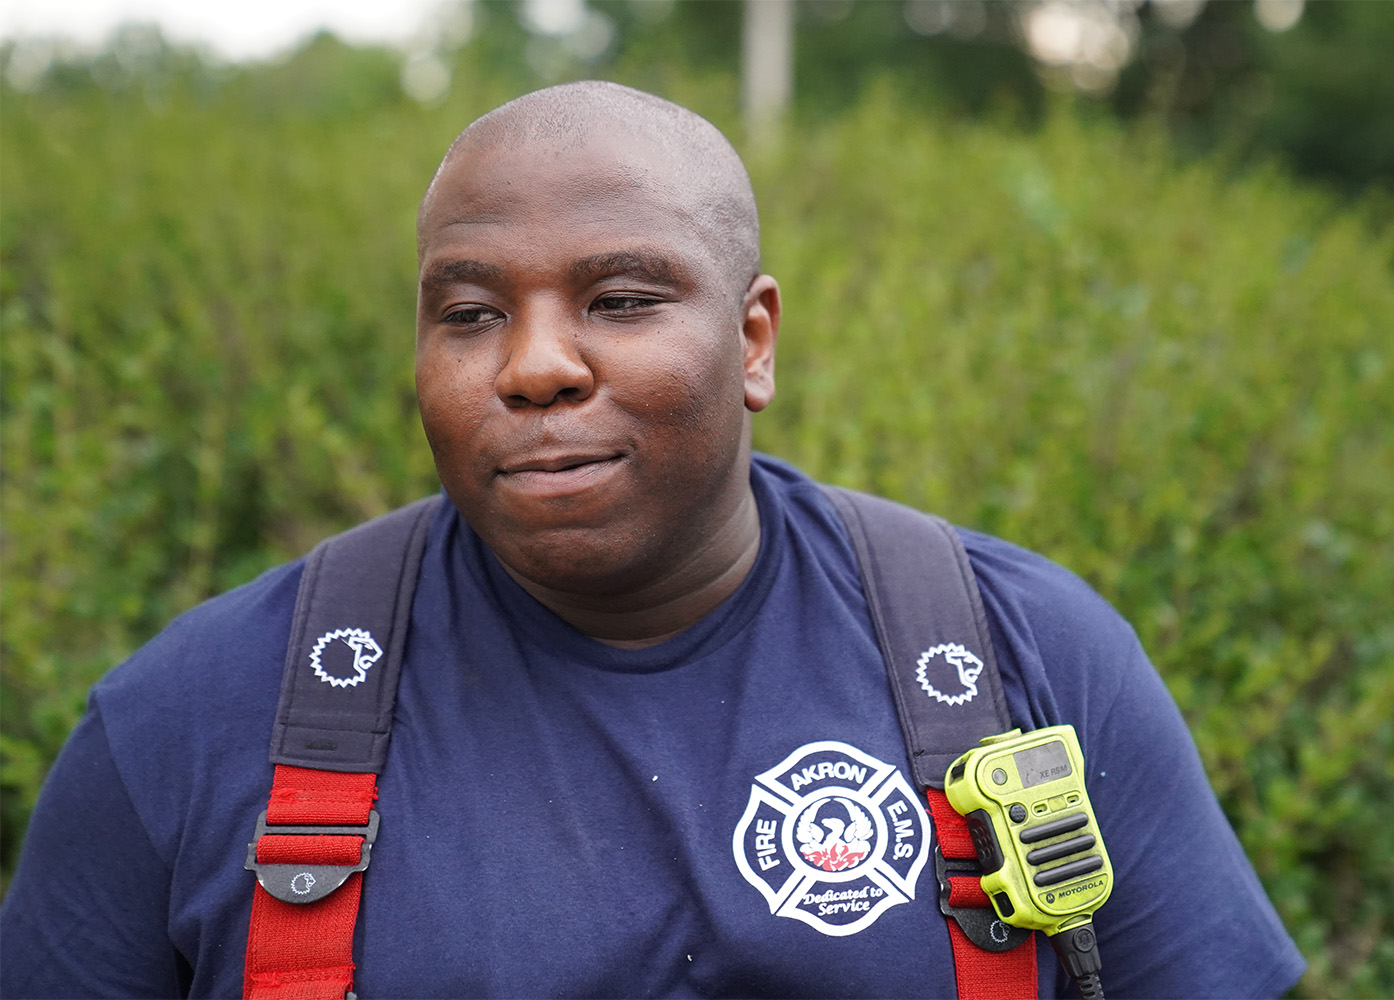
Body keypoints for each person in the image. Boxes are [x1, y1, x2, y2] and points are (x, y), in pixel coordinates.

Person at [0, 81, 1304, 999]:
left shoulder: (1023, 657)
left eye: (620, 299)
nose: (538, 366)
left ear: (752, 340)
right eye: (468, 313)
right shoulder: (193, 723)